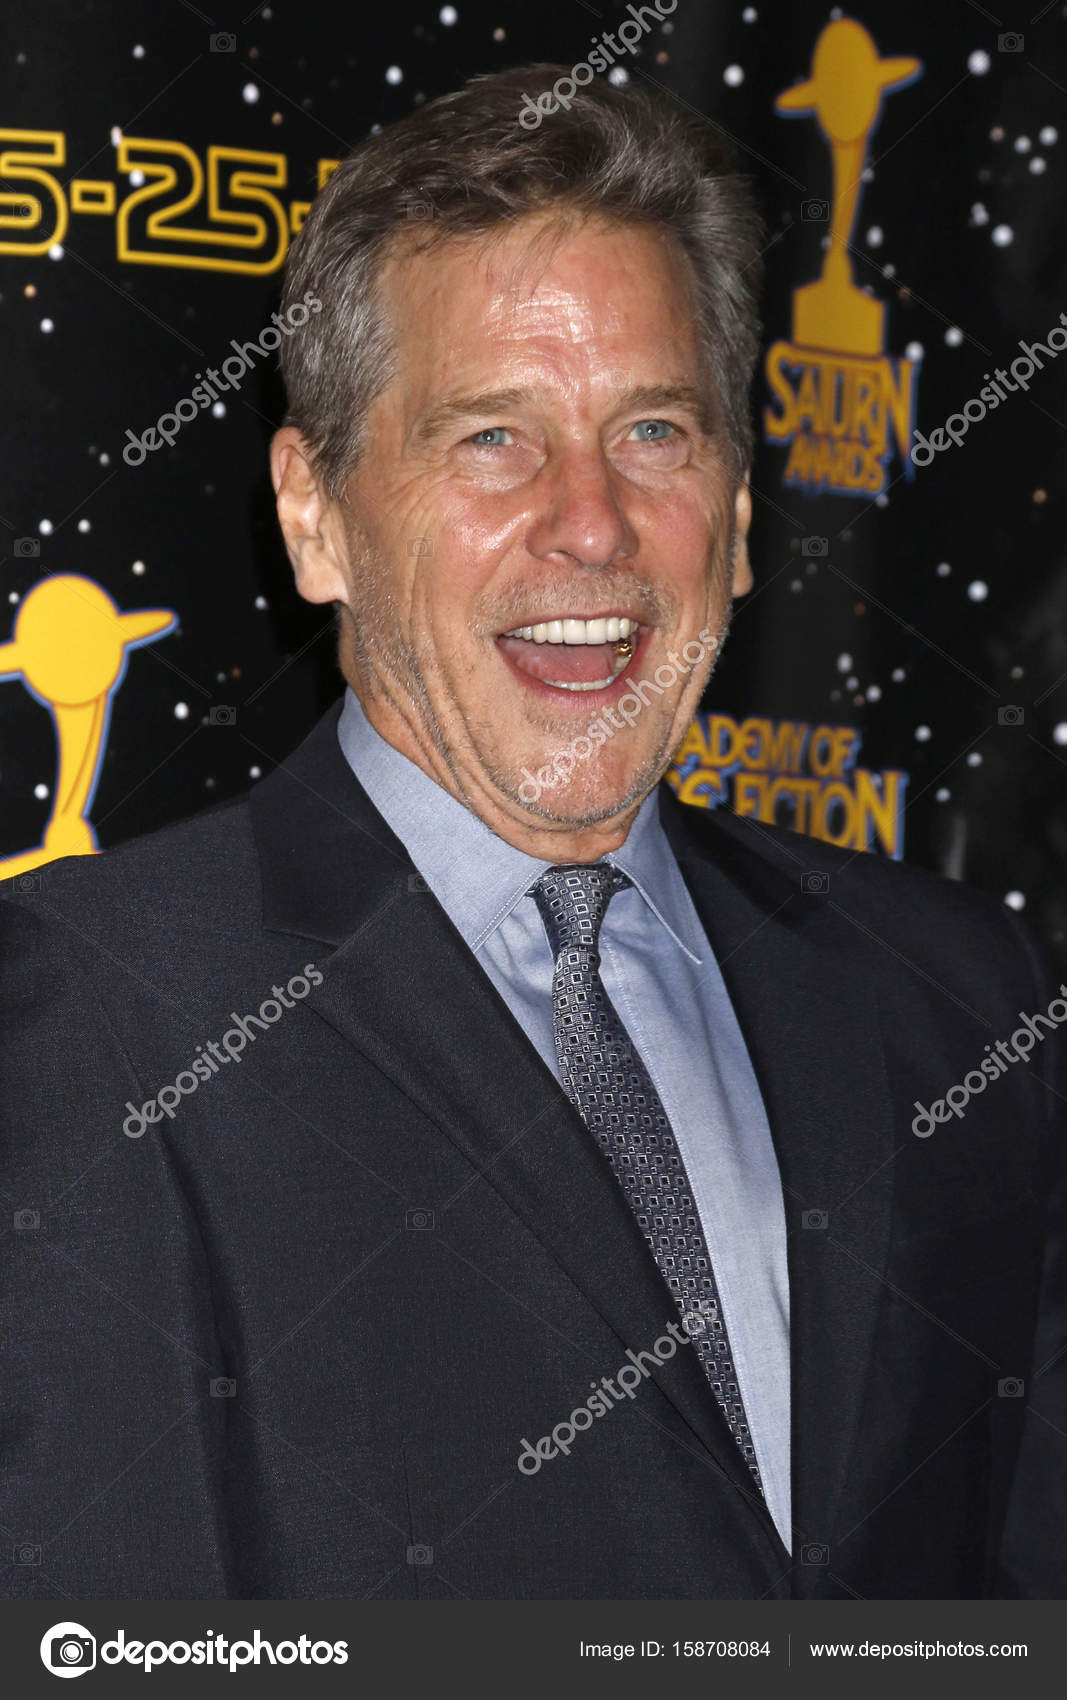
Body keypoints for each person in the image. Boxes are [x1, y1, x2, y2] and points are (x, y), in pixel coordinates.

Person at [1, 64, 1063, 1601]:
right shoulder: (94, 1022)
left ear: (745, 513)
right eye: (491, 438)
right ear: (316, 517)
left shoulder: (962, 997)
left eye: (653, 432)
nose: (591, 524)